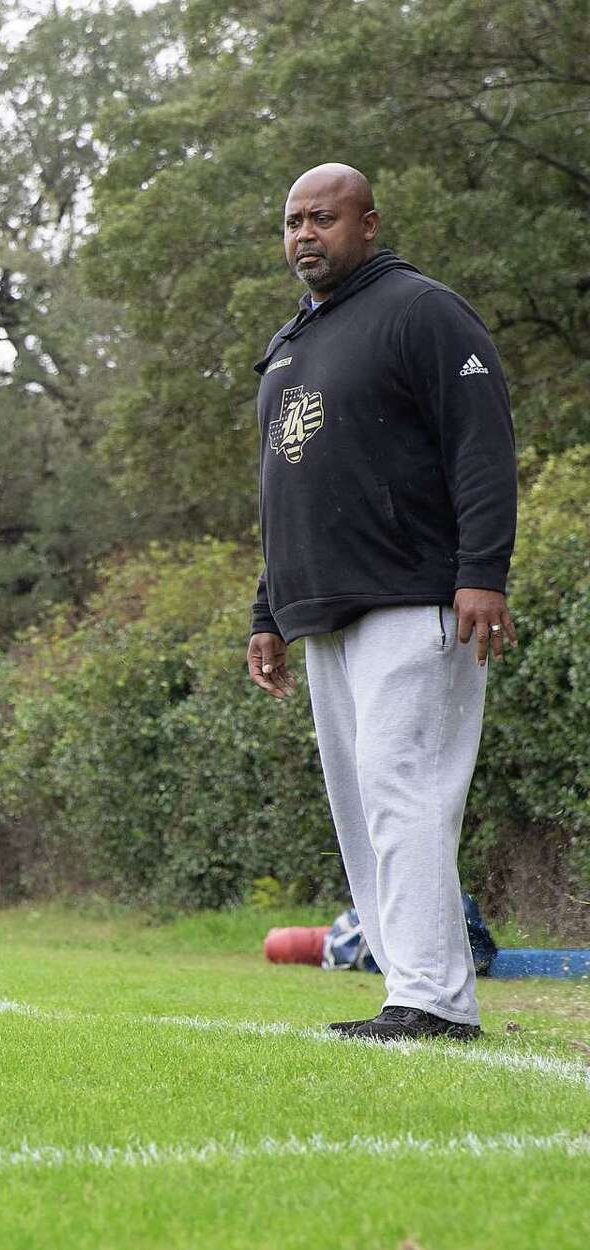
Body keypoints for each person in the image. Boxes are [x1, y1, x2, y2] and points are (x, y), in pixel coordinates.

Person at [245, 163, 518, 1043]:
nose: (302, 236)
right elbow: (283, 489)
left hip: (415, 595)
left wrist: (484, 569)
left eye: (321, 218)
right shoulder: (291, 343)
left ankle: (436, 1002)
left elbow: (482, 444)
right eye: (291, 222)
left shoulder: (421, 310)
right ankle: (411, 989)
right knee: (364, 808)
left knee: (405, 792)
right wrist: (266, 610)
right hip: (321, 609)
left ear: (367, 222)